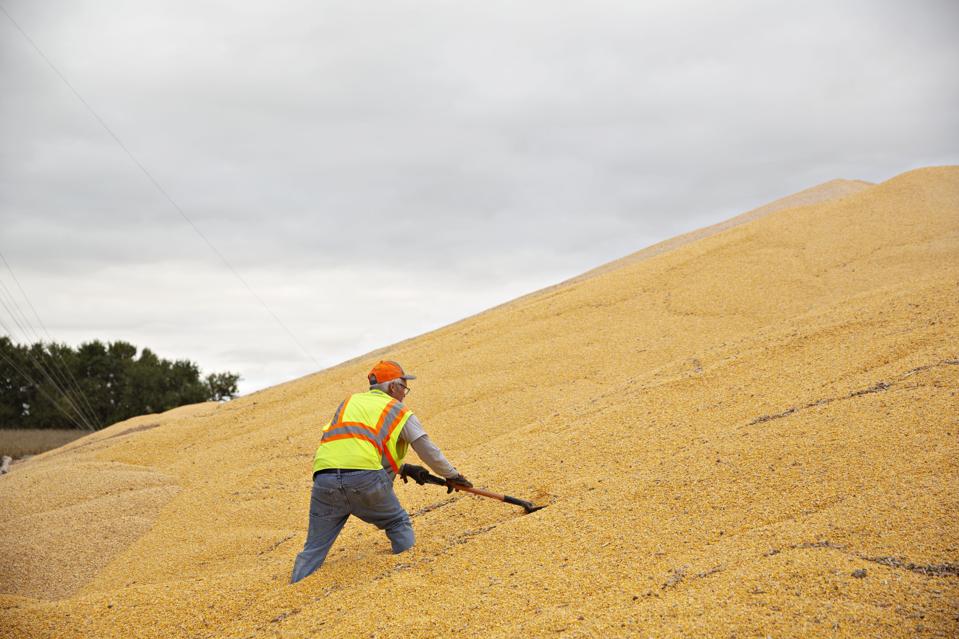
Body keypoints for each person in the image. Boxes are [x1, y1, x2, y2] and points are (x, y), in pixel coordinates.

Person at [290, 360, 471, 583]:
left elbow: (354, 444)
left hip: (324, 478)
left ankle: (295, 586)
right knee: (396, 522)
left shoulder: (350, 402)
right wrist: (452, 475)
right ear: (393, 387)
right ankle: (410, 579)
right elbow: (427, 449)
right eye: (404, 387)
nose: (404, 393)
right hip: (365, 478)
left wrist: (403, 468)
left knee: (314, 548)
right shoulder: (398, 410)